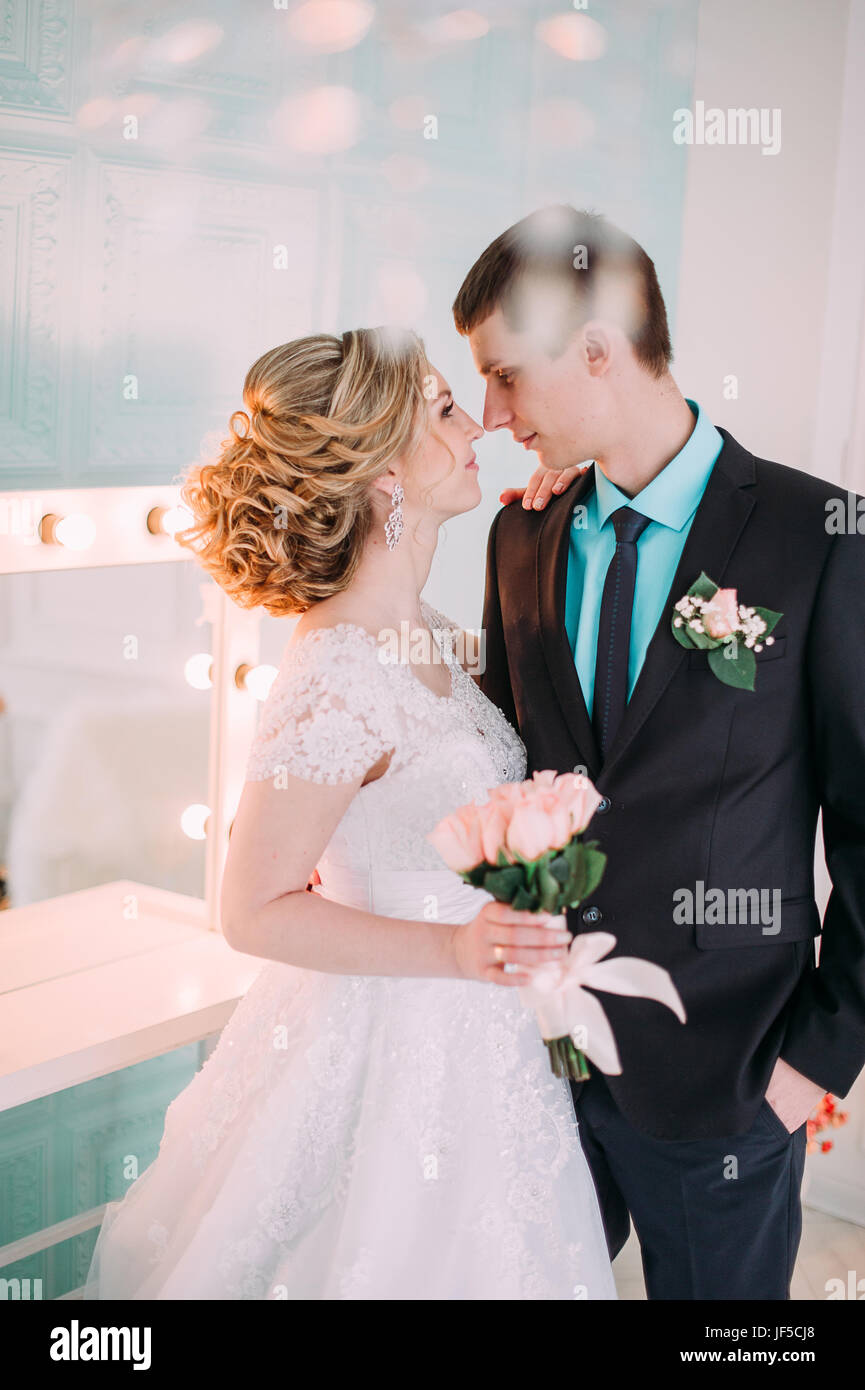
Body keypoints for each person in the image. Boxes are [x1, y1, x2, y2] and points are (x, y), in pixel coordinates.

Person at [82, 326, 617, 1301]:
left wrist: (563, 517)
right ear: (382, 475)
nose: (479, 427)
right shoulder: (334, 672)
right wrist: (453, 953)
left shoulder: (423, 634)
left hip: (485, 1048)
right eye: (445, 410)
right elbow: (251, 908)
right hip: (387, 1044)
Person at [454, 204, 865, 1300]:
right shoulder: (520, 534)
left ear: (594, 350)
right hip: (540, 1067)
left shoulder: (817, 536)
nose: (491, 414)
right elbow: (500, 766)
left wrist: (814, 1065)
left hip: (729, 1082)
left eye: (504, 377)